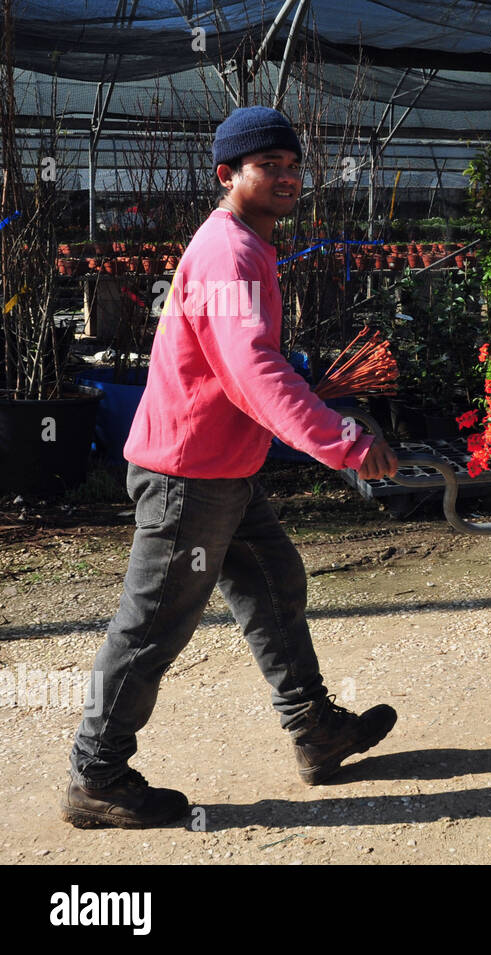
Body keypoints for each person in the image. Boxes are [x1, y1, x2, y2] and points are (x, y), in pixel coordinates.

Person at [61, 106, 400, 829]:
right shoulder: (229, 253)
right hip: (188, 477)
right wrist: (340, 438)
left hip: (222, 468)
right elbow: (253, 370)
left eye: (292, 165)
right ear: (228, 175)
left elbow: (247, 371)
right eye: (267, 165)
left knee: (275, 584)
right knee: (153, 624)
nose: (285, 176)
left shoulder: (247, 245)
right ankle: (97, 773)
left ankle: (314, 729)